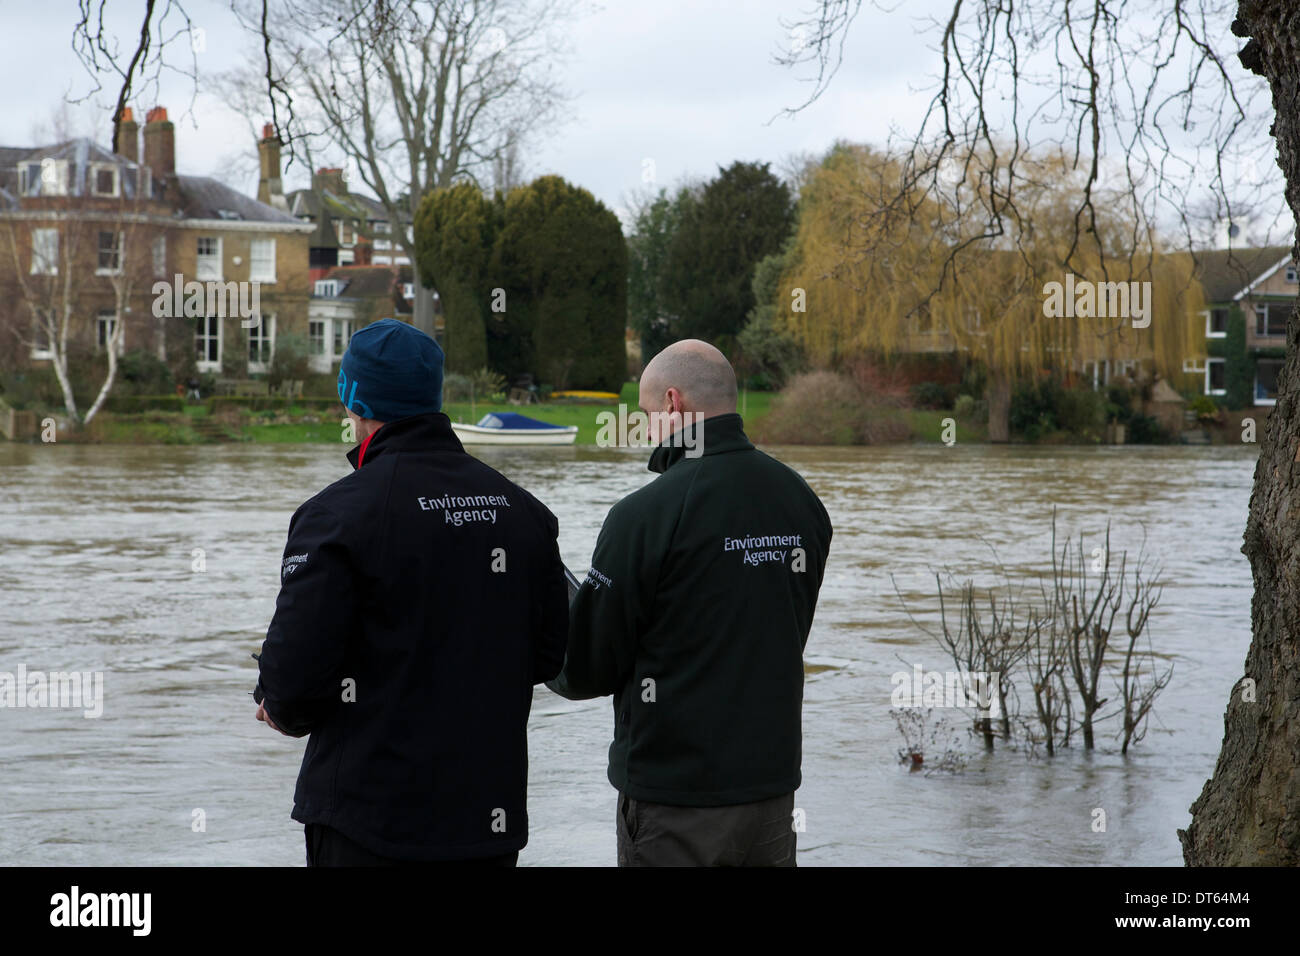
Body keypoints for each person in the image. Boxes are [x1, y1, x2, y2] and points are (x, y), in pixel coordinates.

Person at [253, 318, 569, 866]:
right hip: (485, 822)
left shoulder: (336, 516)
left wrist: (278, 706)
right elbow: (548, 655)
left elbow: (294, 681)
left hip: (368, 822)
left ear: (352, 397)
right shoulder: (523, 512)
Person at [548, 339, 833, 866]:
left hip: (674, 802)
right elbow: (777, 631)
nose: (646, 431)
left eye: (646, 417)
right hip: (772, 795)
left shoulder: (644, 514)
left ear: (673, 403)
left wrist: (552, 611)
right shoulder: (801, 500)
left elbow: (586, 670)